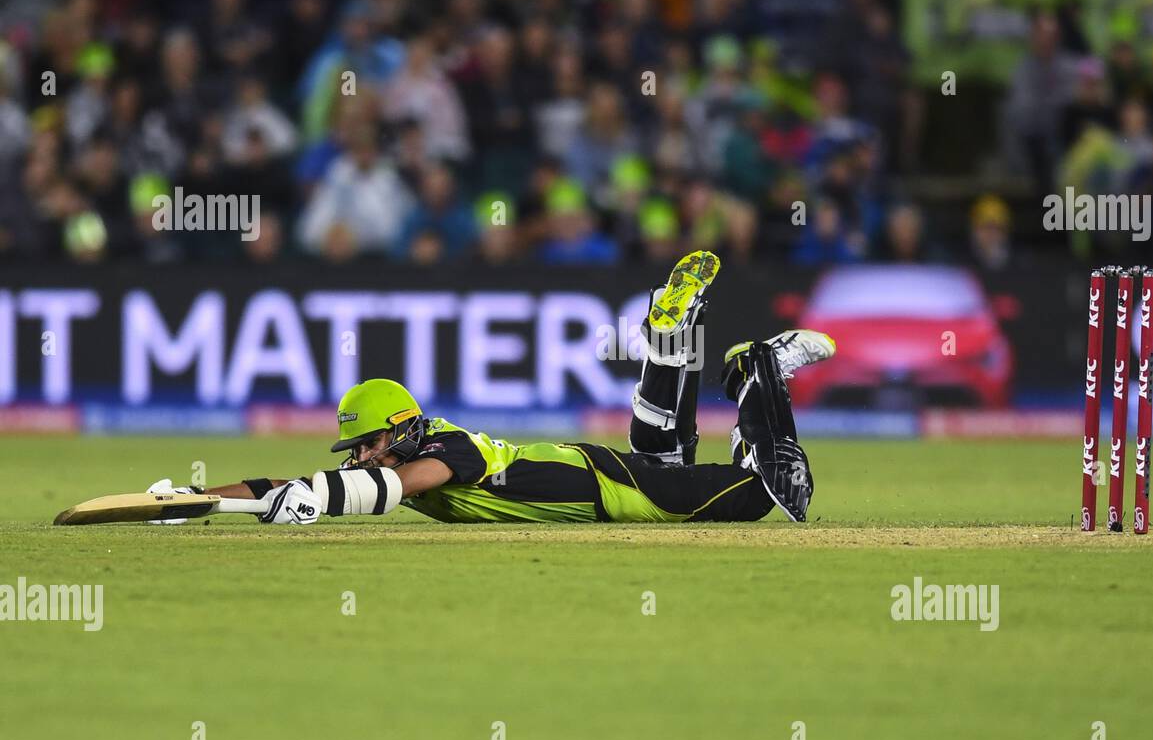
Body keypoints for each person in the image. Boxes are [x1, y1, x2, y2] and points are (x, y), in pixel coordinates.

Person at [148, 251, 836, 524]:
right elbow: (283, 484)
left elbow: (391, 489)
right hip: (601, 472)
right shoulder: (407, 455)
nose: (357, 458)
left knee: (754, 500)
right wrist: (202, 498)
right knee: (666, 453)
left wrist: (319, 504)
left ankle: (758, 372)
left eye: (365, 444)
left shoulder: (443, 450)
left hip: (605, 489)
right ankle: (669, 339)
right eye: (354, 450)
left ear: (400, 429)